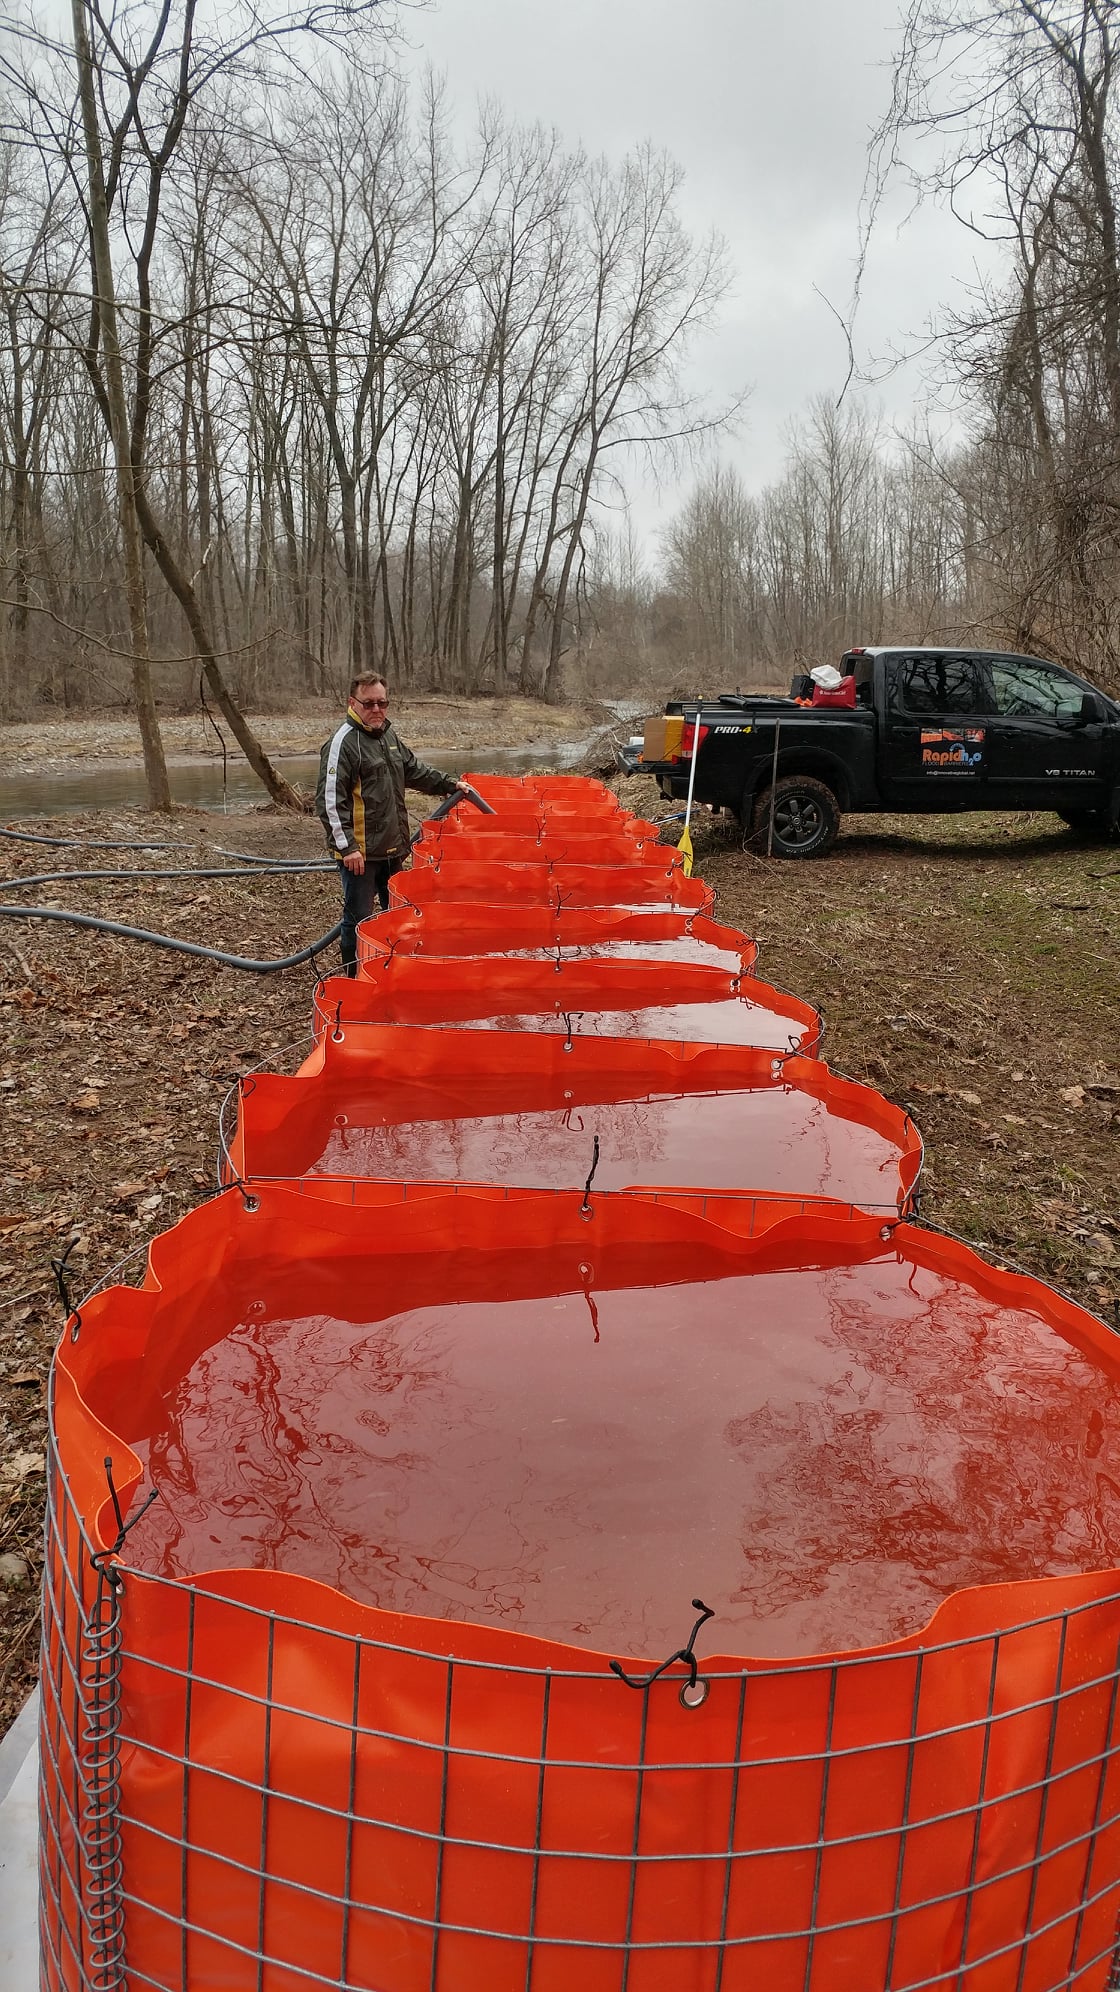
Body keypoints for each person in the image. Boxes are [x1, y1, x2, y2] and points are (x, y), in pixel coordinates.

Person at [316, 673, 465, 974]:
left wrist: (450, 785)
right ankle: (355, 976)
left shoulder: (388, 736)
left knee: (396, 914)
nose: (376, 709)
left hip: (394, 848)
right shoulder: (343, 743)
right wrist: (348, 849)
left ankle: (393, 971)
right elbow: (329, 802)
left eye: (382, 702)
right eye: (369, 703)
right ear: (352, 703)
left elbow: (414, 770)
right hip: (361, 856)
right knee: (358, 919)